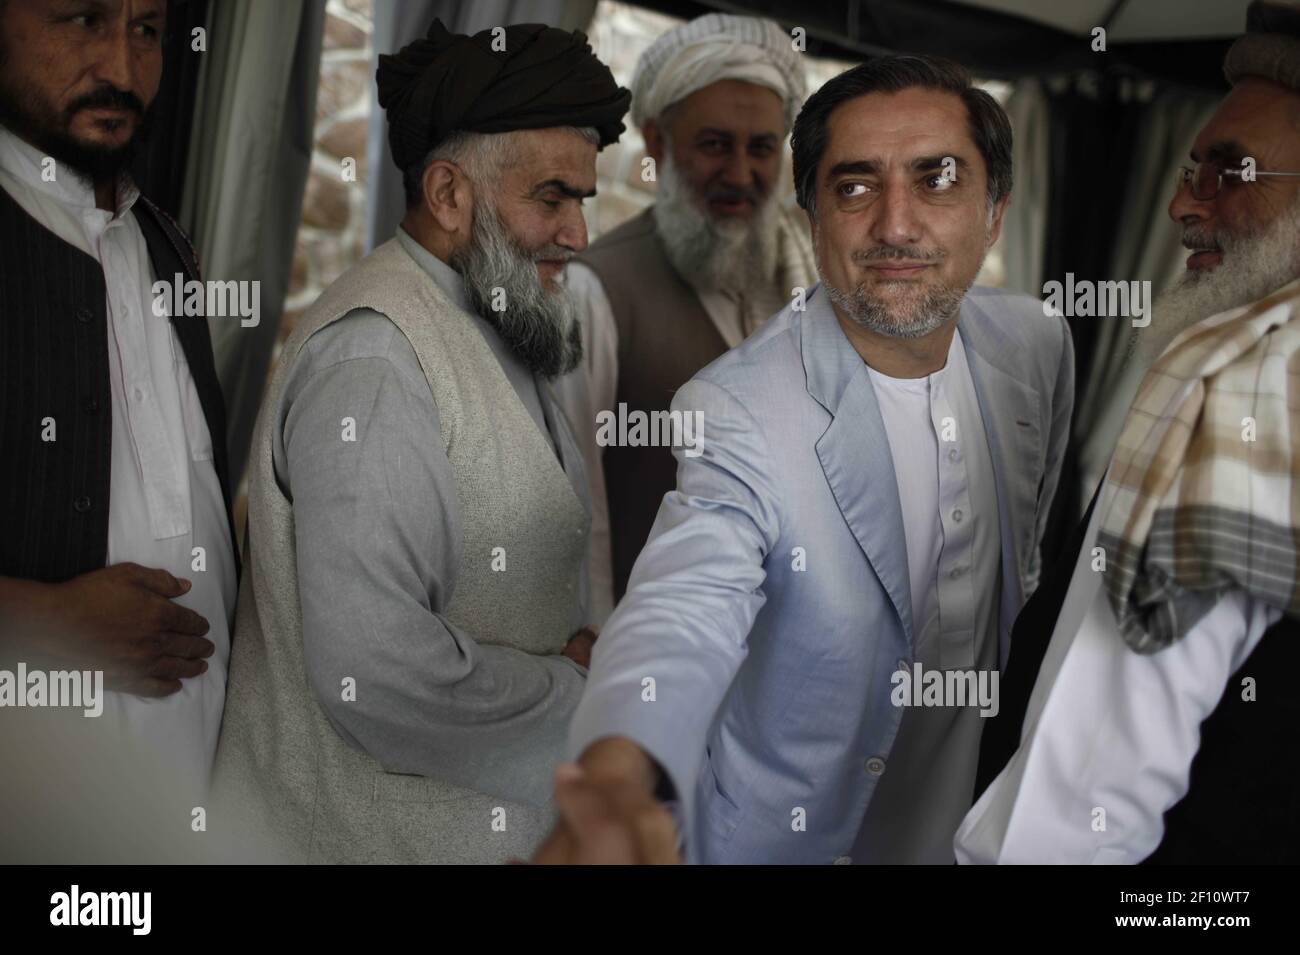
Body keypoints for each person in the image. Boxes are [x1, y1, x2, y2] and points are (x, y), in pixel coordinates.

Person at [535, 54, 1074, 865]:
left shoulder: (1036, 344)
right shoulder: (741, 408)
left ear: (994, 211)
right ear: (811, 214)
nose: (895, 224)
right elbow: (684, 609)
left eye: (937, 180)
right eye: (855, 187)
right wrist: (618, 781)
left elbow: (1026, 547)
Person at [210, 19, 629, 864]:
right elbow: (380, 669)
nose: (579, 233)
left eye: (581, 199)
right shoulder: (375, 357)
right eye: (552, 197)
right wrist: (578, 691)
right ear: (447, 194)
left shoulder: (491, 311)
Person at [958, 0, 1300, 865]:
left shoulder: (1235, 380)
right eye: (1191, 167)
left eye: (1232, 170)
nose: (1186, 201)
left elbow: (1079, 802)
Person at [0, 0, 236, 807]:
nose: (122, 70)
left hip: (180, 799)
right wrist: (42, 623)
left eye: (145, 31)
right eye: (83, 20)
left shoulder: (163, 242)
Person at [554, 13, 816, 620]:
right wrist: (594, 646)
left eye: (762, 148)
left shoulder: (811, 278)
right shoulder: (595, 291)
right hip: (659, 655)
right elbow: (576, 510)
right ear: (657, 143)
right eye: (715, 145)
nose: (742, 174)